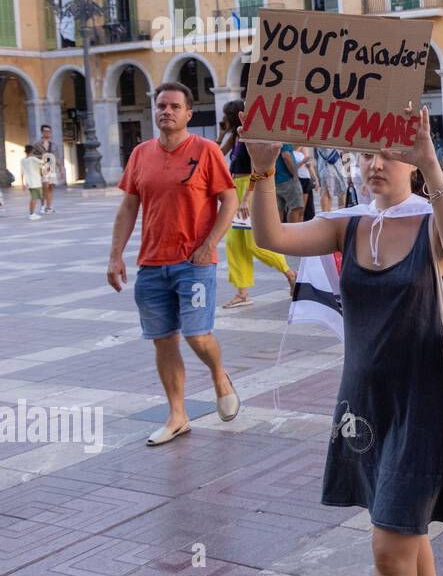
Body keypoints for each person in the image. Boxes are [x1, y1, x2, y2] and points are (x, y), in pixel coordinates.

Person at [244, 106, 443, 576]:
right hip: (364, 403)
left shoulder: (430, 224)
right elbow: (271, 237)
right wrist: (263, 168)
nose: (376, 163)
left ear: (412, 162)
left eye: (390, 154)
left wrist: (432, 167)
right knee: (407, 535)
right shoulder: (346, 226)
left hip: (421, 406)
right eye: (366, 154)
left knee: (388, 549)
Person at [106, 82, 240, 446]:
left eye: (174, 106)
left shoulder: (206, 150)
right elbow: (129, 206)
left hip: (194, 262)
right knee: (163, 342)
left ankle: (219, 376)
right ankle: (177, 415)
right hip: (151, 264)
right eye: (161, 105)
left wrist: (210, 244)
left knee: (197, 335)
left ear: (188, 113)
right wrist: (116, 254)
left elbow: (229, 200)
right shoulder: (140, 154)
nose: (166, 111)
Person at [220, 100, 295, 309]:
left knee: (254, 243)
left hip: (248, 188)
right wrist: (222, 134)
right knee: (234, 243)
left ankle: (290, 273)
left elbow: (257, 168)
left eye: (226, 116)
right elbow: (217, 154)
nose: (224, 119)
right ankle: (242, 293)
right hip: (235, 187)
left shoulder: (250, 137)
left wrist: (246, 198)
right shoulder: (235, 136)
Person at [273, 142, 305, 223]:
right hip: (287, 178)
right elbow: (286, 156)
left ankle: (279, 234)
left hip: (277, 178)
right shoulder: (283, 136)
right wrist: (295, 174)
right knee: (296, 207)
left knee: (279, 209)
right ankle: (293, 233)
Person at [36, 124, 62, 213]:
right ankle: (43, 206)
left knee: (50, 187)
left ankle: (49, 207)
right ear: (42, 132)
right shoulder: (37, 144)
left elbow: (57, 157)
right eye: (45, 131)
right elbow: (32, 156)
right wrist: (43, 157)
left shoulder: (54, 144)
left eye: (49, 131)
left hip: (52, 169)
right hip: (42, 169)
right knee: (45, 187)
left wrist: (61, 169)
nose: (47, 133)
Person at [315, 146, 348, 212]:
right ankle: (326, 215)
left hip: (339, 164)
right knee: (327, 191)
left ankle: (342, 214)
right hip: (326, 165)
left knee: (343, 190)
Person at [294, 147, 318, 221]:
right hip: (297, 179)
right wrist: (303, 161)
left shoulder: (304, 148)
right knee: (296, 209)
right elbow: (291, 168)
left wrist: (315, 179)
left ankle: (301, 228)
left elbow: (309, 165)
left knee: (304, 210)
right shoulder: (288, 149)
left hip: (306, 180)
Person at [20, 144, 43, 221]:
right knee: (34, 198)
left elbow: (22, 172)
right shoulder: (33, 159)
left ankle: (32, 213)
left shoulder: (23, 160)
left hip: (29, 182)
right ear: (32, 150)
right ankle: (32, 214)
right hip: (35, 182)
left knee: (34, 198)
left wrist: (22, 183)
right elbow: (43, 163)